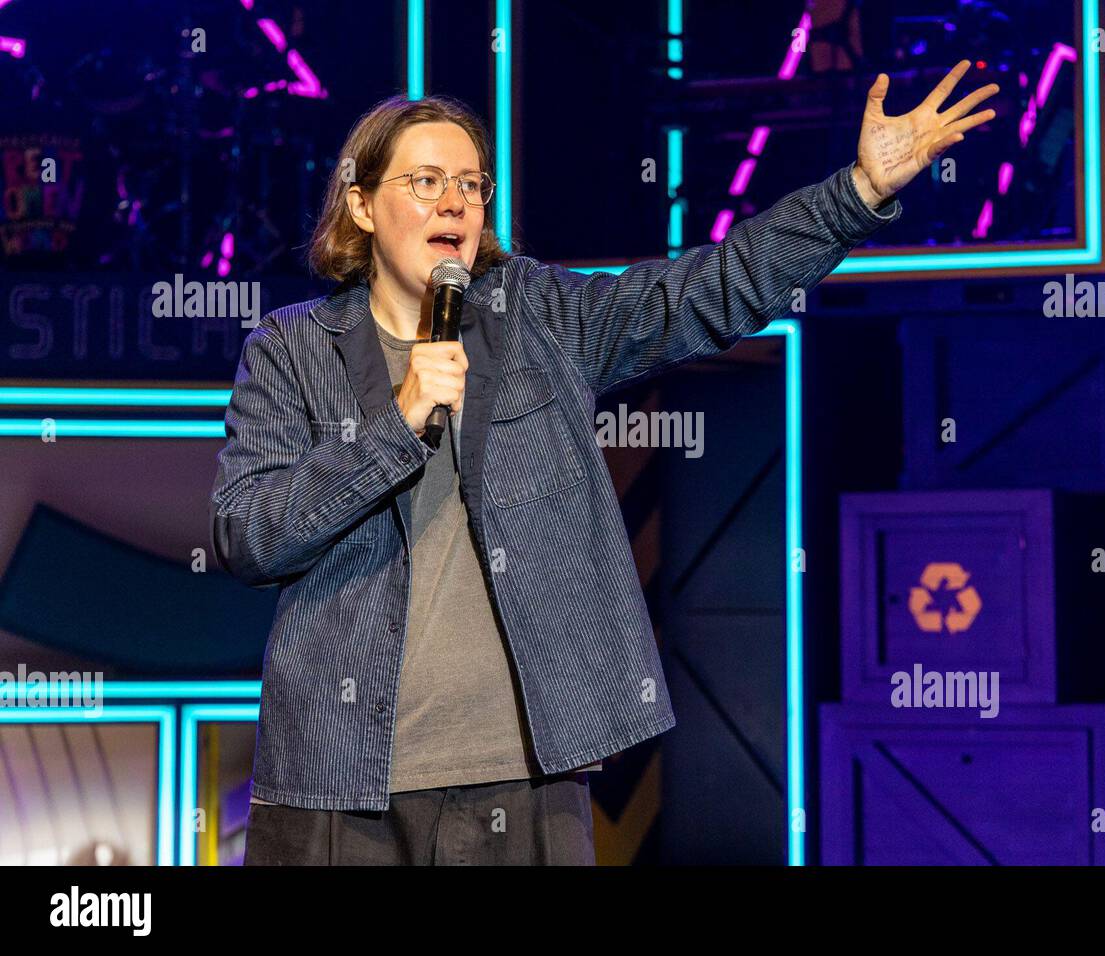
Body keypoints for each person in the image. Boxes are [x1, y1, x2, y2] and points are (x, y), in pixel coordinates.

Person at [209, 62, 997, 865]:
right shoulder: (292, 349)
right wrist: (398, 424)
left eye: (473, 185)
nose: (455, 201)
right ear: (361, 203)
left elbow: (704, 291)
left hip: (523, 783)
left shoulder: (537, 316)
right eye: (426, 180)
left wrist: (857, 190)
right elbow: (249, 535)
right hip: (338, 788)